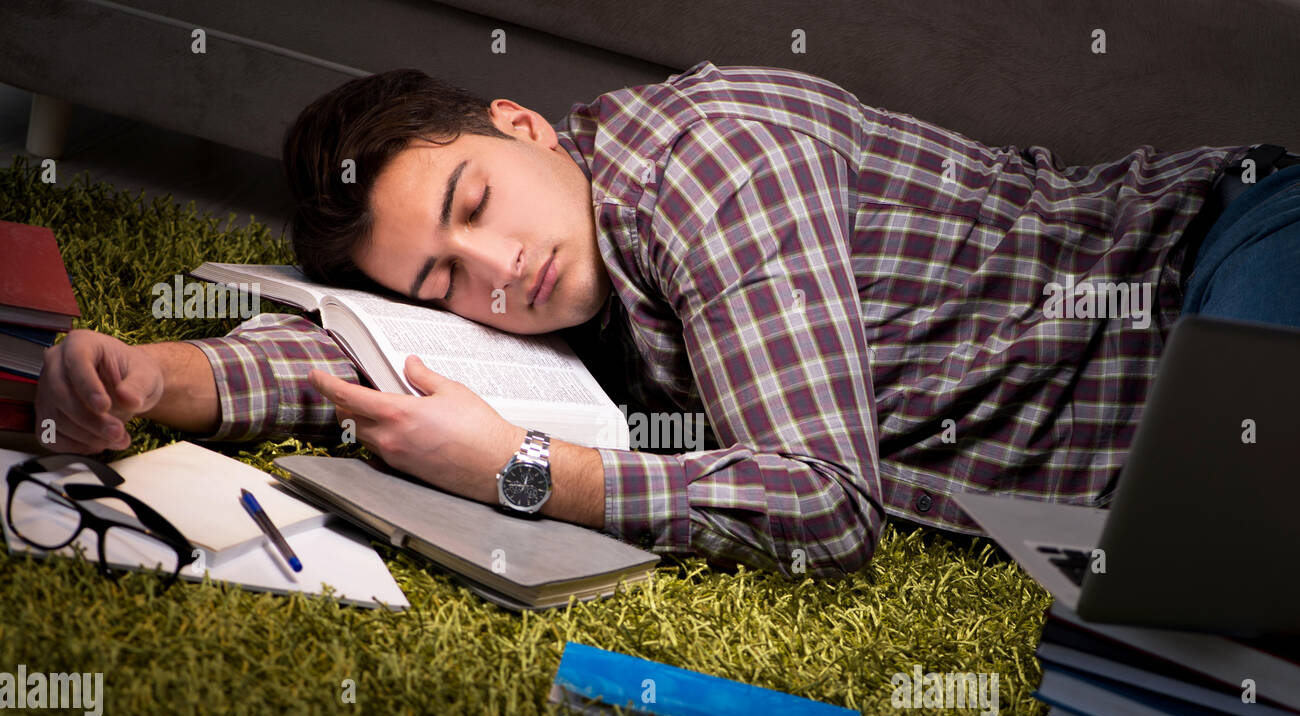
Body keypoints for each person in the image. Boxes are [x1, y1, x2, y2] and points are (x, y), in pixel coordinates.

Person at [32, 61, 1292, 578]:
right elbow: (356, 356)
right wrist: (155, 376)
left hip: (1211, 260)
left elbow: (823, 505)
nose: (493, 276)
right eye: (441, 278)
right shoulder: (547, 262)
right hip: (1109, 465)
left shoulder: (714, 166)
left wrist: (525, 469)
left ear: (524, 125)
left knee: (1241, 573)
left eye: (473, 204)